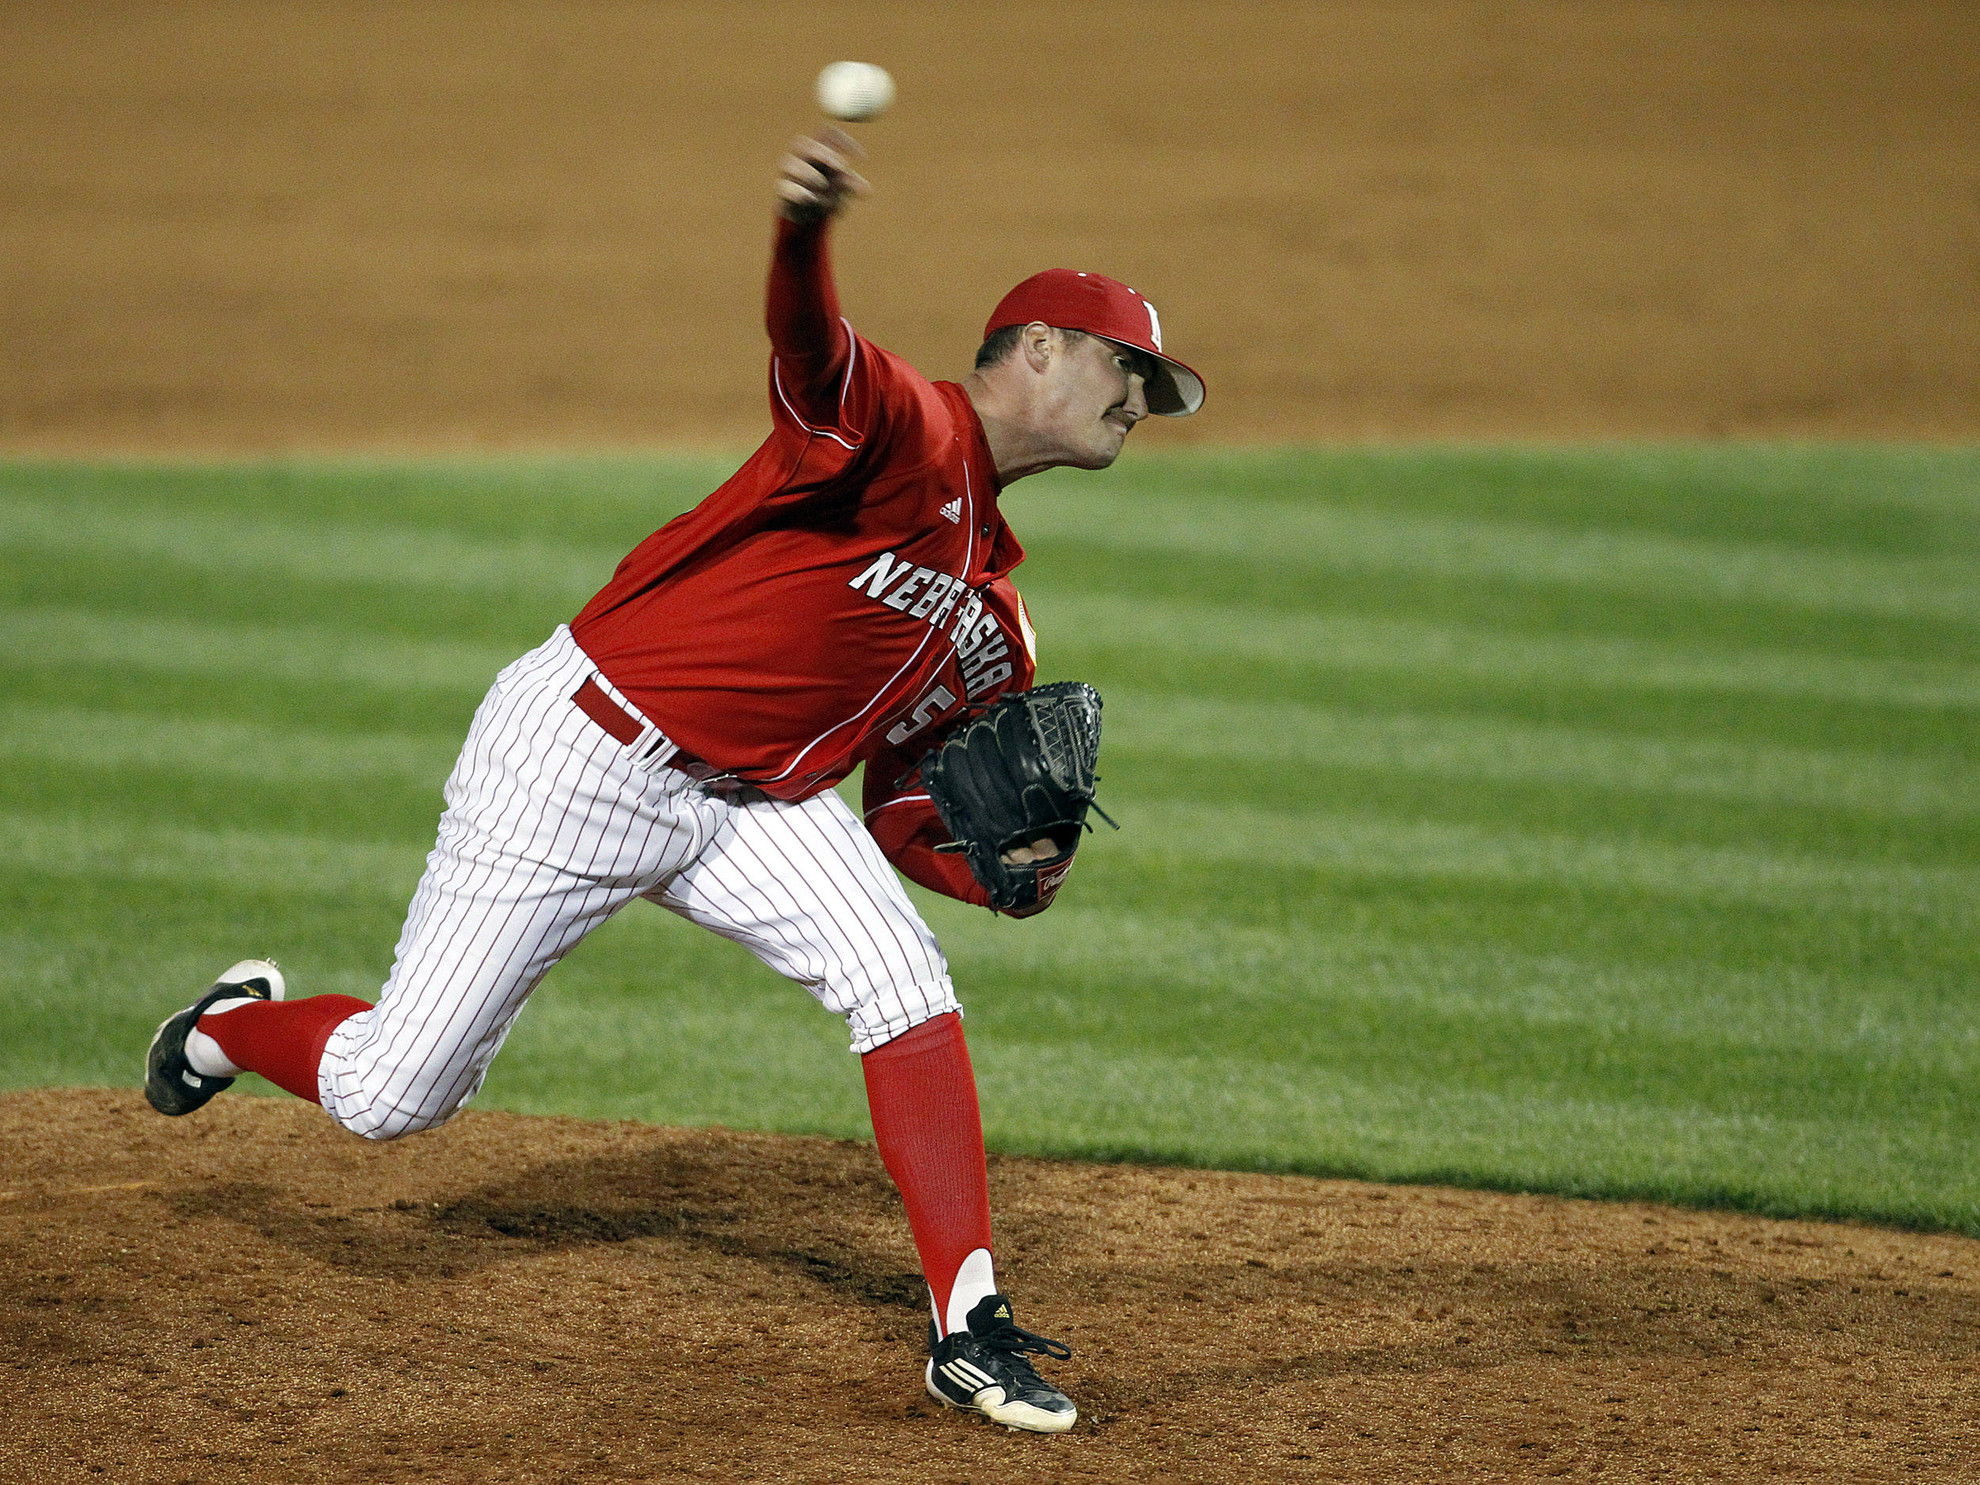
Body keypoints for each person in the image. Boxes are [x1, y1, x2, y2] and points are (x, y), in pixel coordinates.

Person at [143, 130, 1203, 1434]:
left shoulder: (993, 618)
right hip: (579, 756)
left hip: (744, 803)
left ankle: (965, 1329)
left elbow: (900, 811)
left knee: (903, 975)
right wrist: (801, 235)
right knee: (391, 1093)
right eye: (1125, 366)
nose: (1139, 401)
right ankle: (231, 1022)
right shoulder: (905, 432)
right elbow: (812, 357)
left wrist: (1008, 875)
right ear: (1034, 348)